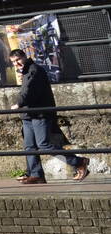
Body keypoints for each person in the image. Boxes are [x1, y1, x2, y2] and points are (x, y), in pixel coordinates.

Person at [11, 48, 88, 184]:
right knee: (29, 146)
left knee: (44, 145)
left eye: (18, 60)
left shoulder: (34, 70)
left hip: (40, 114)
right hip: (28, 114)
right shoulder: (26, 71)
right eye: (13, 62)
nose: (16, 63)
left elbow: (29, 89)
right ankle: (36, 174)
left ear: (24, 57)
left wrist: (19, 103)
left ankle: (79, 162)